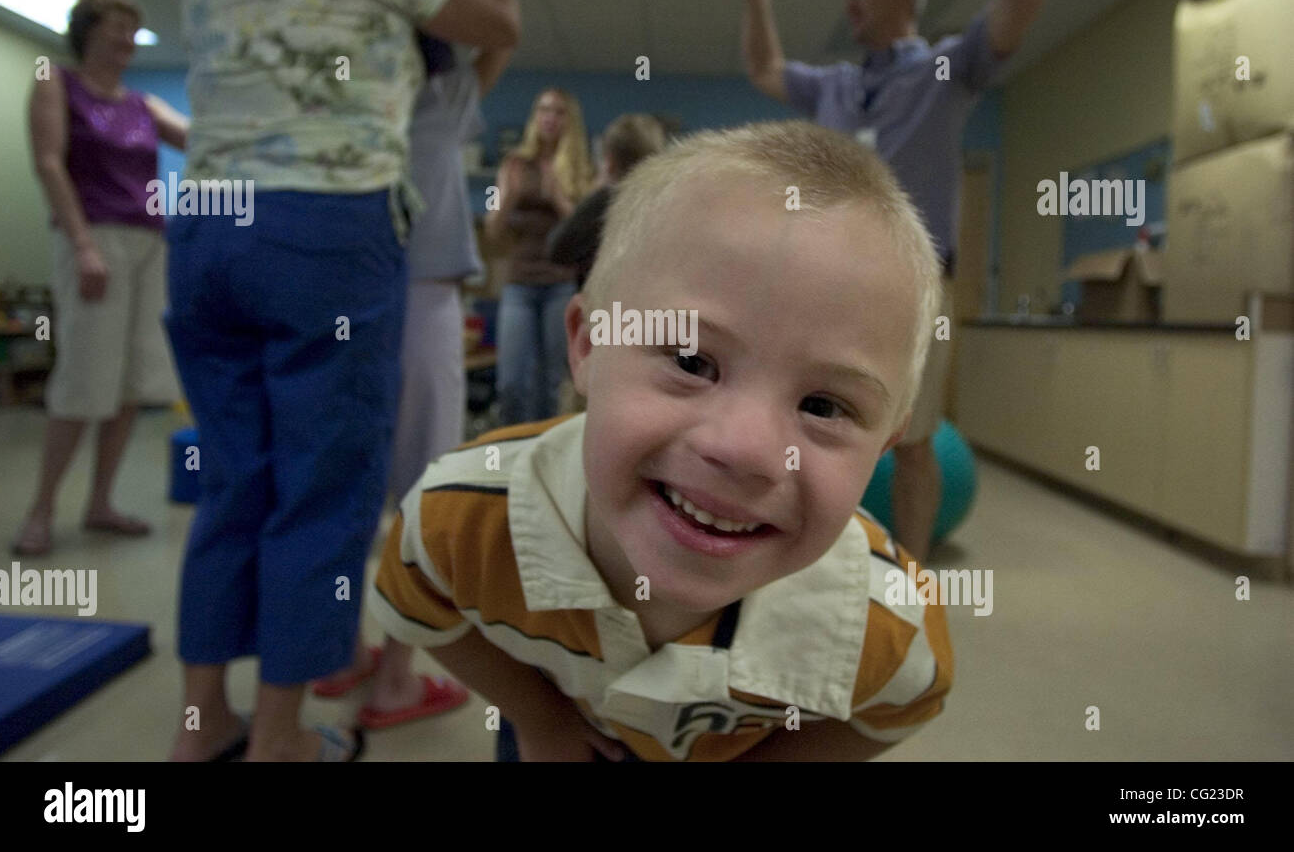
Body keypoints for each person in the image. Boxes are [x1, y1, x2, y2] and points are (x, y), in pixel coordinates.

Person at [370, 120, 952, 762]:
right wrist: (538, 717)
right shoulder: (461, 516)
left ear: (884, 446)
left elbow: (906, 703)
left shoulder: (884, 617)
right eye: (691, 361)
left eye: (823, 405)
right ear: (588, 345)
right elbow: (414, 597)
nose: (747, 449)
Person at [167, 0, 518, 763]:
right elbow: (498, 21)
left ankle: (203, 721)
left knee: (231, 483)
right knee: (321, 491)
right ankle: (280, 738)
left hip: (209, 222)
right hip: (323, 223)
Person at [741, 0, 1044, 562]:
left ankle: (907, 577)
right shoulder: (836, 86)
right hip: (822, 278)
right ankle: (801, 559)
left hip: (914, 282)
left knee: (912, 439)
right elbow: (764, 69)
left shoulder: (945, 68)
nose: (850, 5)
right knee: (808, 419)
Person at [312, 0, 517, 729]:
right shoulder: (446, 85)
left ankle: (334, 656)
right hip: (421, 290)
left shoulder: (344, 88)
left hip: (342, 297)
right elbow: (505, 28)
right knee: (421, 489)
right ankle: (394, 677)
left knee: (342, 481)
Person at [13, 0, 188, 557]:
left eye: (132, 31)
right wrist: (83, 245)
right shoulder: (55, 83)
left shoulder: (141, 104)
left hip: (148, 243)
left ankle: (101, 503)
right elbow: (47, 163)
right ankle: (41, 510)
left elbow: (197, 138)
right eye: (117, 27)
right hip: (93, 239)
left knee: (133, 381)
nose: (126, 41)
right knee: (85, 379)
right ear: (87, 31)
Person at [486, 88, 594, 425]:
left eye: (559, 111)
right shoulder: (514, 163)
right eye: (544, 110)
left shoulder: (579, 168)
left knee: (550, 383)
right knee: (512, 382)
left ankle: (540, 458)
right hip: (519, 283)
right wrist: (509, 197)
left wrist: (559, 198)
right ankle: (506, 458)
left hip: (560, 285)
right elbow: (493, 231)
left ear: (570, 121)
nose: (550, 117)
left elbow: (586, 233)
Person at [546, 113, 668, 288]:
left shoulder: (604, 202)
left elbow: (557, 249)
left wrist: (596, 191)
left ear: (609, 162)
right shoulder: (667, 201)